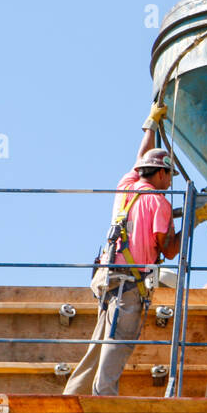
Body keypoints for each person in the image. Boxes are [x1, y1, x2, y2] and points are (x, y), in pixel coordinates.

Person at [62, 102, 181, 396]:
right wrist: (193, 222)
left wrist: (150, 125)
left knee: (100, 342)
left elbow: (141, 158)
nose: (170, 181)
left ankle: (71, 396)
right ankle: (104, 404)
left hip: (106, 279)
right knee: (116, 346)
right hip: (129, 286)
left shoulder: (127, 186)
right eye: (170, 176)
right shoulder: (159, 203)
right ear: (161, 174)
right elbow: (169, 250)